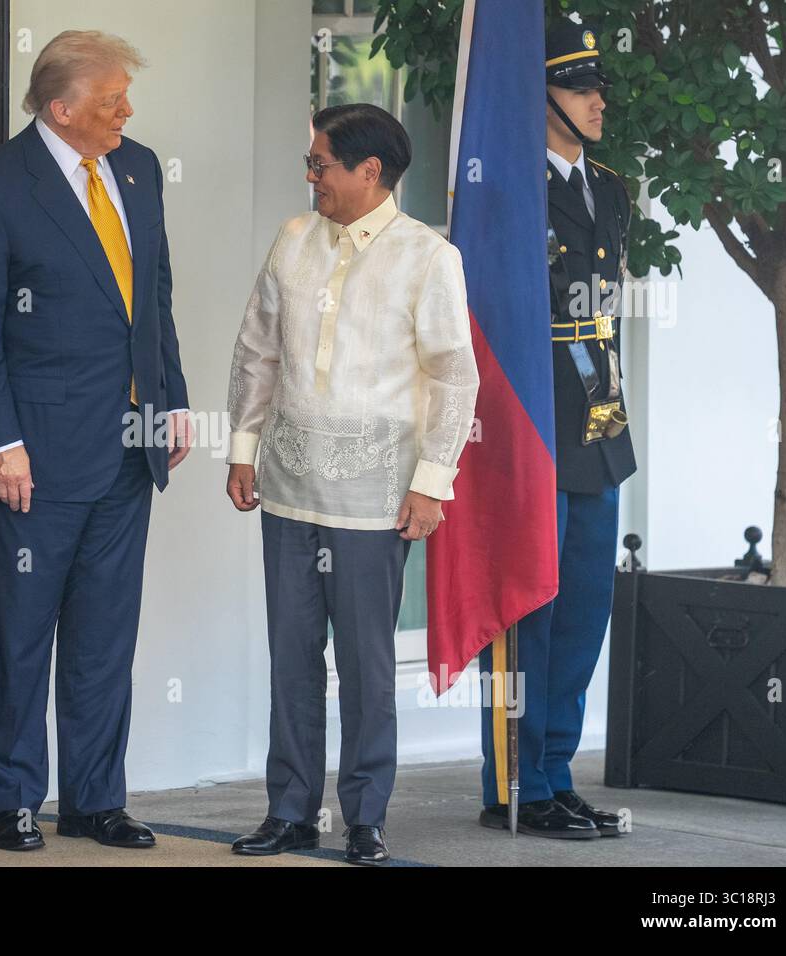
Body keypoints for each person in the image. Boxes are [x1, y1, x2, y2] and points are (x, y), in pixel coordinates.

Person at [0, 30, 191, 852]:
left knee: (104, 638)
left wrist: (173, 402)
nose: (127, 110)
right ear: (62, 107)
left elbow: (153, 297)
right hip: (36, 457)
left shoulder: (139, 168)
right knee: (22, 634)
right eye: (113, 97)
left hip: (129, 445)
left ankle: (95, 800)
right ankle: (12, 799)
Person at [226, 104, 479, 865]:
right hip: (287, 486)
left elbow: (454, 378)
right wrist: (242, 447)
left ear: (370, 173)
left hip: (375, 496)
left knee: (365, 666)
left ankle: (365, 818)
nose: (311, 177)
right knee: (292, 656)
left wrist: (433, 483)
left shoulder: (428, 257)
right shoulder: (294, 239)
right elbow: (257, 352)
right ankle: (290, 812)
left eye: (321, 164)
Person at [477, 17, 636, 839]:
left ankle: (556, 771)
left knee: (582, 614)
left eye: (597, 85)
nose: (597, 100)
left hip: (599, 429)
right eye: (580, 87)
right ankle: (514, 782)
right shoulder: (505, 189)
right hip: (531, 431)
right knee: (525, 611)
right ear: (537, 97)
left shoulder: (609, 189)